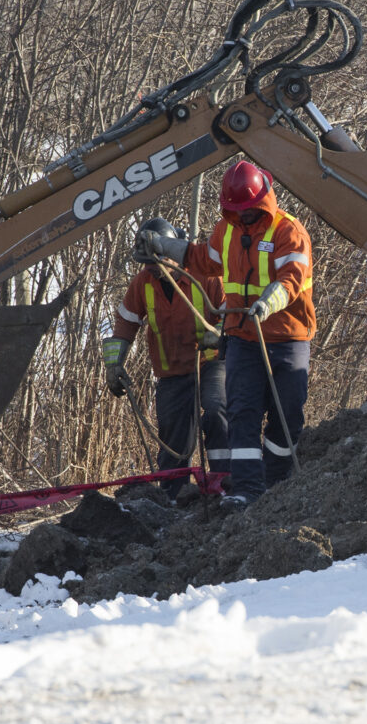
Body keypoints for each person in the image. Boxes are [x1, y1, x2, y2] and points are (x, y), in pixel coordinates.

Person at [210, 160, 315, 505]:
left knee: (288, 414)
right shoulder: (225, 230)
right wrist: (168, 252)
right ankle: (246, 490)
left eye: (249, 211)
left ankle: (278, 481)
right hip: (244, 338)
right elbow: (202, 259)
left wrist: (268, 303)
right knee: (242, 411)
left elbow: (292, 278)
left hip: (288, 339)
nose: (243, 218)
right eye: (237, 212)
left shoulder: (289, 231)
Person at [104, 215, 226, 478]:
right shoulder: (142, 283)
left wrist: (219, 333)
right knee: (172, 435)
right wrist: (114, 364)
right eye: (148, 264)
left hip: (212, 364)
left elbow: (233, 316)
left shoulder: (206, 276)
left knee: (217, 411)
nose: (153, 268)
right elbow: (124, 324)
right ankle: (173, 496)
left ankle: (225, 482)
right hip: (172, 374)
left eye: (158, 260)